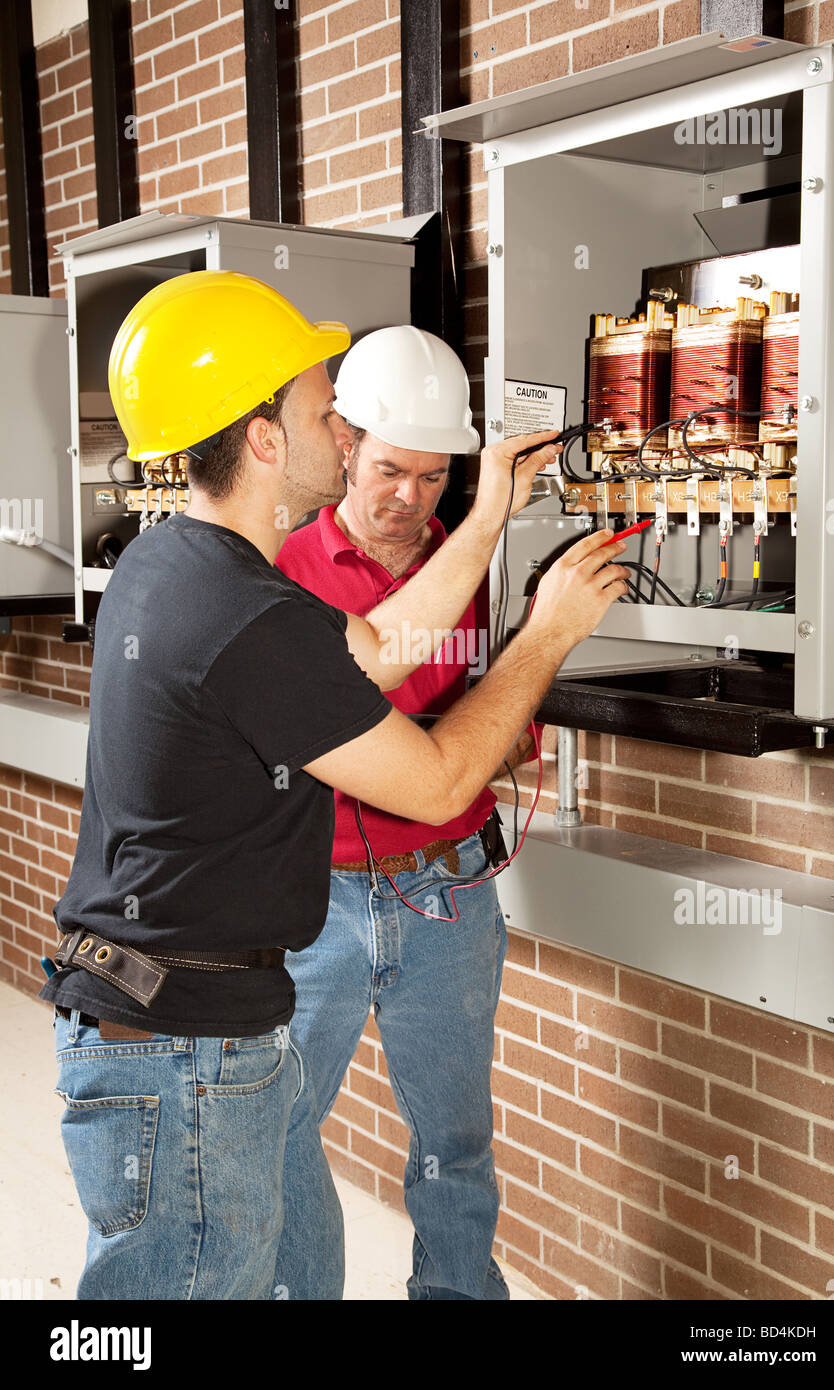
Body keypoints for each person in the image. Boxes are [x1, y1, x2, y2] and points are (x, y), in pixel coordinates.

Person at [40, 270, 629, 1300]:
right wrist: (545, 634)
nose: (345, 434)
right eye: (325, 409)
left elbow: (370, 653)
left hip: (209, 1032)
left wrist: (487, 518)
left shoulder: (174, 566)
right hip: (183, 1054)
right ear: (264, 438)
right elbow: (438, 772)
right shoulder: (248, 618)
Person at [276, 326, 537, 1300]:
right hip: (317, 902)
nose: (408, 497)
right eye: (391, 469)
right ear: (343, 441)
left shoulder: (482, 577)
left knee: (455, 1140)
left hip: (451, 894)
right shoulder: (283, 575)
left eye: (434, 478)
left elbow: (507, 725)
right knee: (283, 1129)